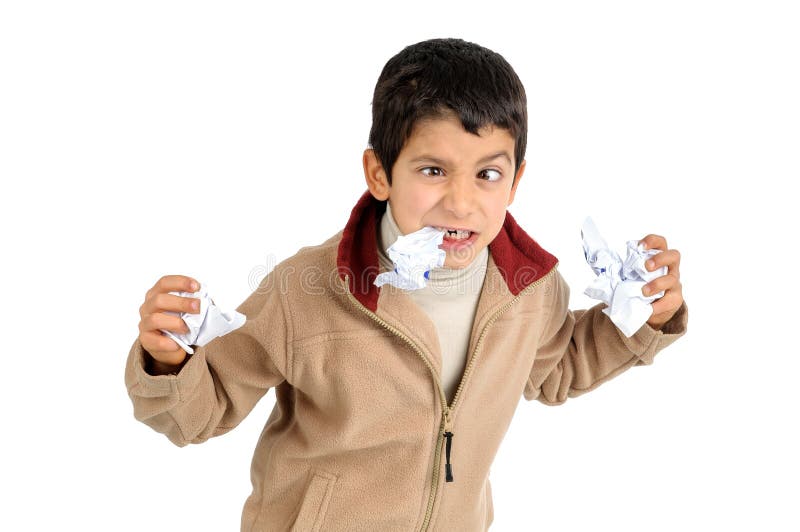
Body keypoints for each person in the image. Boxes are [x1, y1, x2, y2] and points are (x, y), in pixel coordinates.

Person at [125, 37, 688, 531]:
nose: (461, 203)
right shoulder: (307, 291)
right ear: (379, 173)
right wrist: (168, 362)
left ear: (515, 181)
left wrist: (641, 319)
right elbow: (203, 408)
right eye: (433, 170)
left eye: (487, 174)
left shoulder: (528, 288)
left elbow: (555, 368)